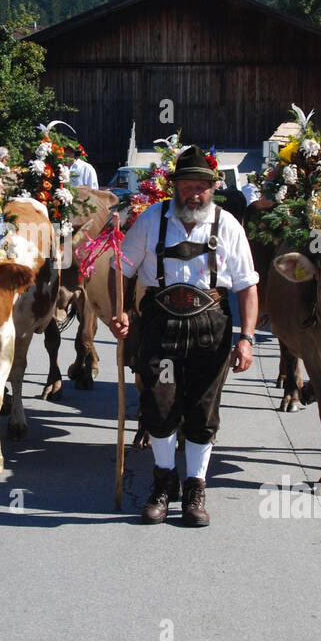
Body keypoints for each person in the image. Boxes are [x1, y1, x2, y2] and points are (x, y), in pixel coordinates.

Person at [108, 146, 259, 527]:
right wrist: (122, 310)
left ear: (213, 188)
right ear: (174, 187)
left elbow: (247, 286)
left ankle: (195, 489)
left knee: (202, 410)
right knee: (159, 407)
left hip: (211, 329)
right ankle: (163, 482)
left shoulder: (228, 226)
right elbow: (121, 267)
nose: (195, 194)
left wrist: (247, 337)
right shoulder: (151, 220)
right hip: (161, 328)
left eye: (202, 188)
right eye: (188, 186)